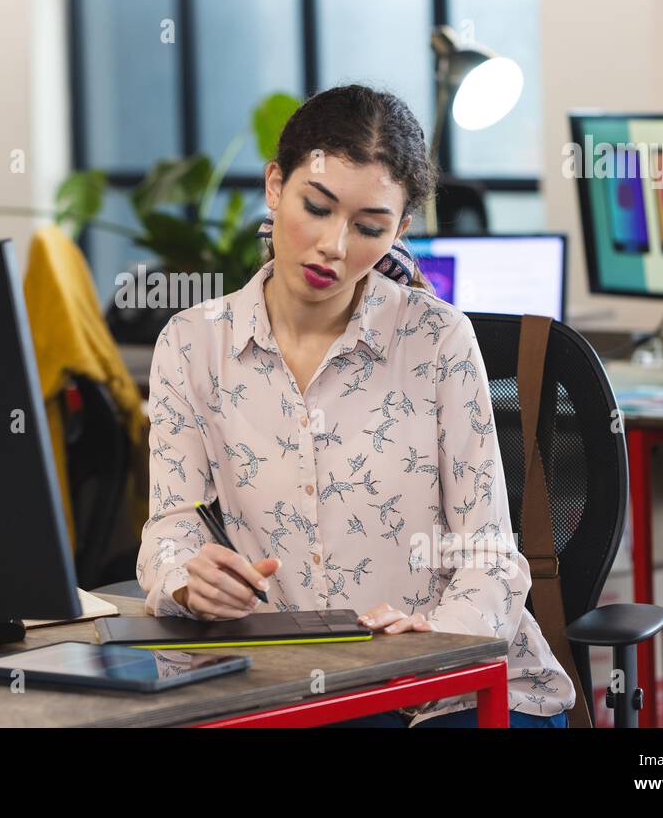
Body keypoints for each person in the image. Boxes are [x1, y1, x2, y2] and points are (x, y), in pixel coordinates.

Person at [135, 84, 574, 727]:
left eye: (369, 227)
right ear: (275, 186)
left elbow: (491, 560)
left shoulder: (437, 339)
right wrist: (185, 579)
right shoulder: (192, 344)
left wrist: (428, 639)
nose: (335, 247)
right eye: (316, 206)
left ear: (399, 229)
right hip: (290, 691)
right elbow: (169, 533)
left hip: (454, 689)